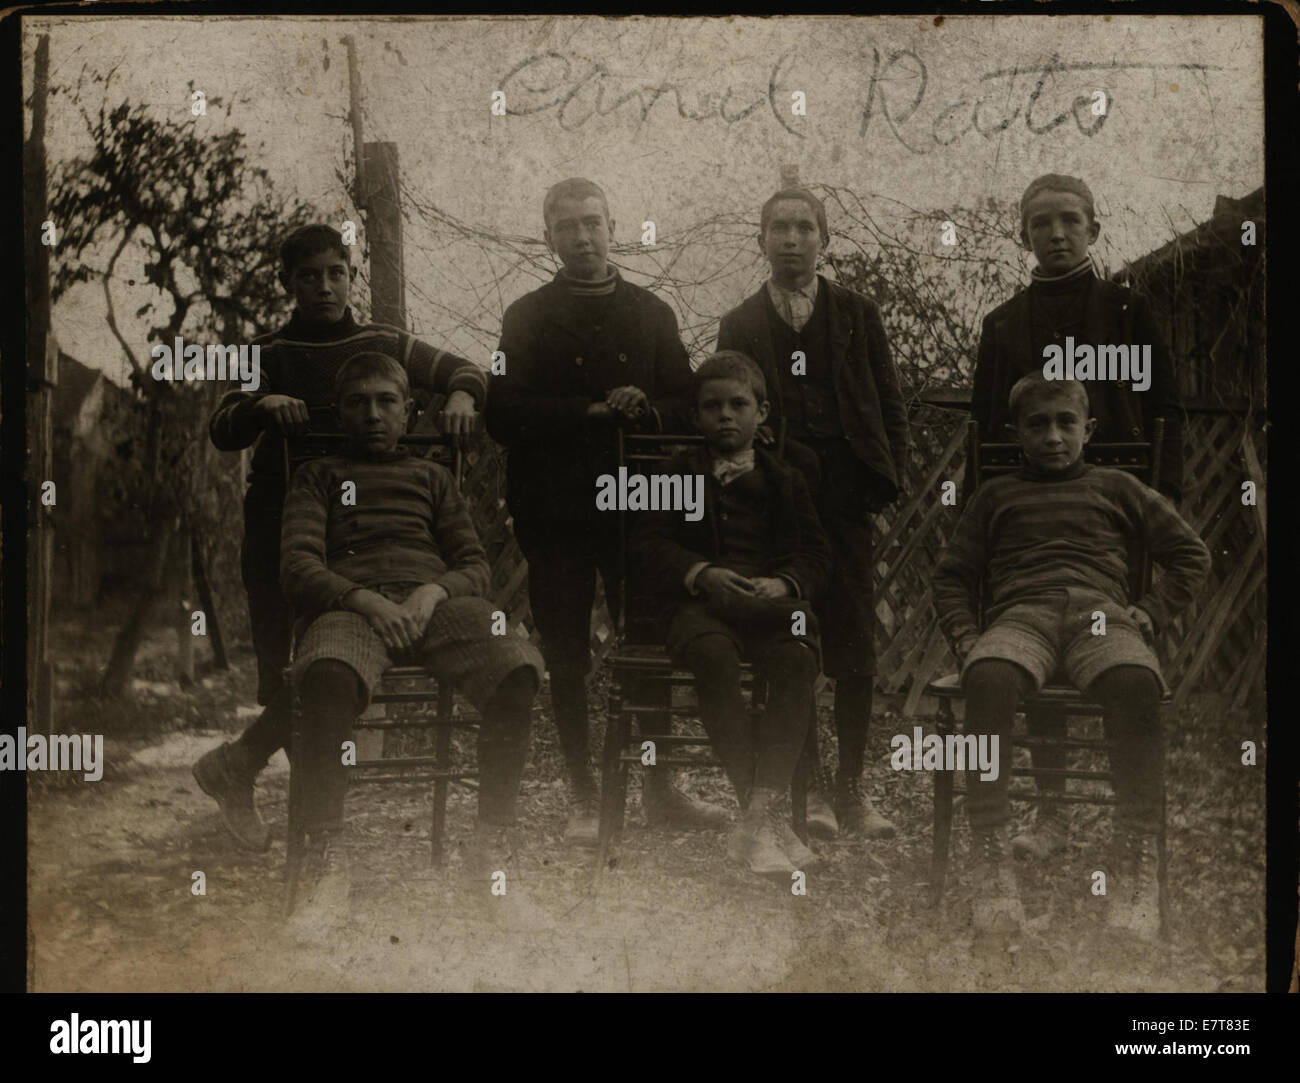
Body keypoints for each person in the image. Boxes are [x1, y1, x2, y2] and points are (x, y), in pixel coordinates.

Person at [193, 225, 486, 852]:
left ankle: (249, 776)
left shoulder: (381, 340)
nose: (324, 286)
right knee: (287, 673)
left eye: (337, 273)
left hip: (373, 535)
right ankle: (311, 829)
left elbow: (464, 367)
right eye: (309, 276)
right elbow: (221, 425)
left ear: (352, 276)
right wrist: (261, 403)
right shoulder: (268, 349)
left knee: (332, 669)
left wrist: (462, 392)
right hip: (285, 528)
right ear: (287, 283)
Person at [485, 178, 727, 846]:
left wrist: (643, 405)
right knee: (566, 655)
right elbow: (502, 410)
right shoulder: (525, 316)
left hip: (637, 510)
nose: (582, 237)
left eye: (592, 223)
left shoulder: (652, 313)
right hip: (555, 511)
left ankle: (658, 785)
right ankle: (583, 794)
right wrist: (589, 410)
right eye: (566, 227)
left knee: (644, 645)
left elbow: (688, 404)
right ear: (547, 237)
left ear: (614, 226)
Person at [932, 373, 1209, 938]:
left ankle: (1133, 862)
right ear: (1016, 432)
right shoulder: (996, 495)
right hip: (1021, 616)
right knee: (986, 677)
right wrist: (965, 640)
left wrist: (1152, 612)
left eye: (1066, 422)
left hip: (1098, 615)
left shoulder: (1118, 486)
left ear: (1090, 428)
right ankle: (991, 856)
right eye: (1038, 424)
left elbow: (1190, 553)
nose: (1053, 435)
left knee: (1135, 681)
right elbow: (952, 576)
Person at [280, 352, 543, 916]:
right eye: (358, 402)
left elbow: (474, 563)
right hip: (353, 606)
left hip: (433, 605)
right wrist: (368, 601)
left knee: (517, 670)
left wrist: (431, 593)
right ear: (339, 411)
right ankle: (326, 861)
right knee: (326, 676)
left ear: (407, 413)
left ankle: (489, 852)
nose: (373, 414)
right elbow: (299, 565)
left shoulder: (432, 476)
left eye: (387, 402)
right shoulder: (318, 476)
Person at [970, 174, 1184, 861]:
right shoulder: (1002, 324)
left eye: (1069, 220)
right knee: (1024, 651)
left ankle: (1133, 836)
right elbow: (982, 439)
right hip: (1026, 522)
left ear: (1093, 228)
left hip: (1111, 519)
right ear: (1024, 235)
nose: (1056, 234)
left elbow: (1165, 417)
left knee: (1117, 670)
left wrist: (1160, 505)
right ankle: (1053, 808)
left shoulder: (1130, 312)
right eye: (1041, 223)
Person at [717, 187, 909, 840]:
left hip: (845, 493)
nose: (792, 239)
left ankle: (852, 786)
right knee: (793, 634)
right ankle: (812, 788)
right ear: (762, 239)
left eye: (805, 227)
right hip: (780, 500)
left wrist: (884, 479)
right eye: (779, 227)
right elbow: (732, 408)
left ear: (824, 239)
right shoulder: (740, 321)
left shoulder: (857, 312)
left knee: (853, 637)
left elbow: (887, 400)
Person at [631, 352, 832, 877]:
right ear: (696, 417)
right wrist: (699, 570)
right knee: (714, 660)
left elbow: (815, 554)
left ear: (761, 412)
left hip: (767, 608)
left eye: (738, 404)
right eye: (711, 406)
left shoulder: (786, 480)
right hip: (697, 608)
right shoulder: (676, 473)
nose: (725, 415)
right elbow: (646, 542)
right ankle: (763, 820)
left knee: (795, 658)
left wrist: (783, 582)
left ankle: (757, 818)